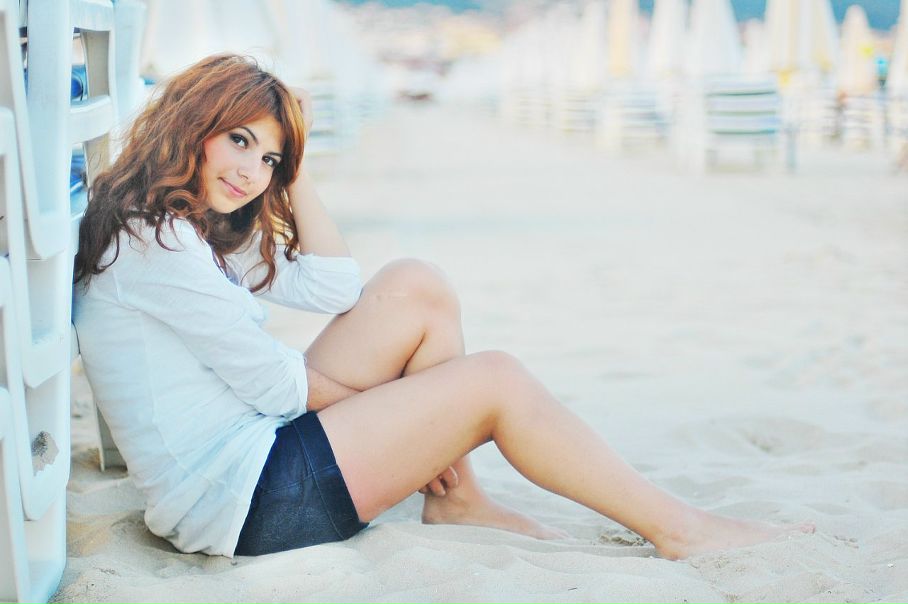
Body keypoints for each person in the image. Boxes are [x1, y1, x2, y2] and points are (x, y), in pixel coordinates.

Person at [73, 54, 813, 559]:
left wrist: (296, 169)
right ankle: (683, 529)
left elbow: (335, 287)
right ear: (193, 121)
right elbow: (272, 383)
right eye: (239, 141)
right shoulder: (158, 242)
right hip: (241, 503)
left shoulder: (183, 225)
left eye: (267, 158)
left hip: (246, 459)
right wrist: (417, 415)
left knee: (415, 286)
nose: (251, 172)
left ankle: (460, 499)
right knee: (493, 381)